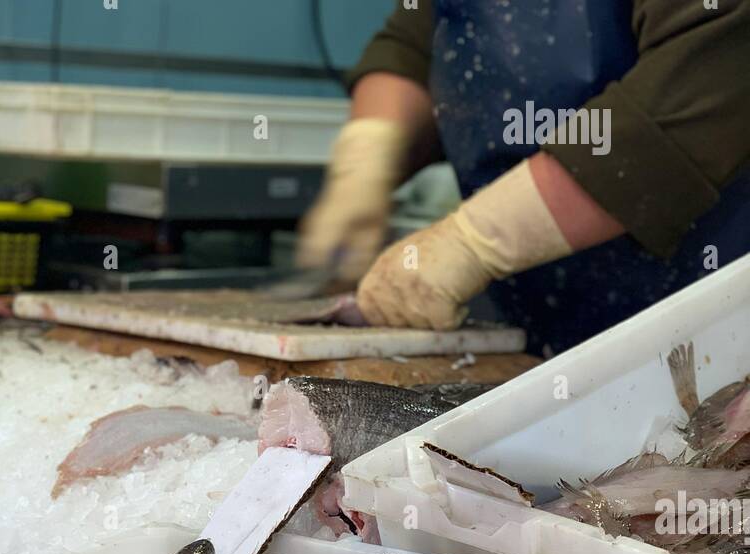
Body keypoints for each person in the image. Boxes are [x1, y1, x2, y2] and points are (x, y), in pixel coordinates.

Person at [298, 1, 750, 354]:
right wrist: (369, 154)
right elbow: (416, 42)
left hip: (710, 316)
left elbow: (706, 82)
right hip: (537, 324)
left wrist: (475, 240)